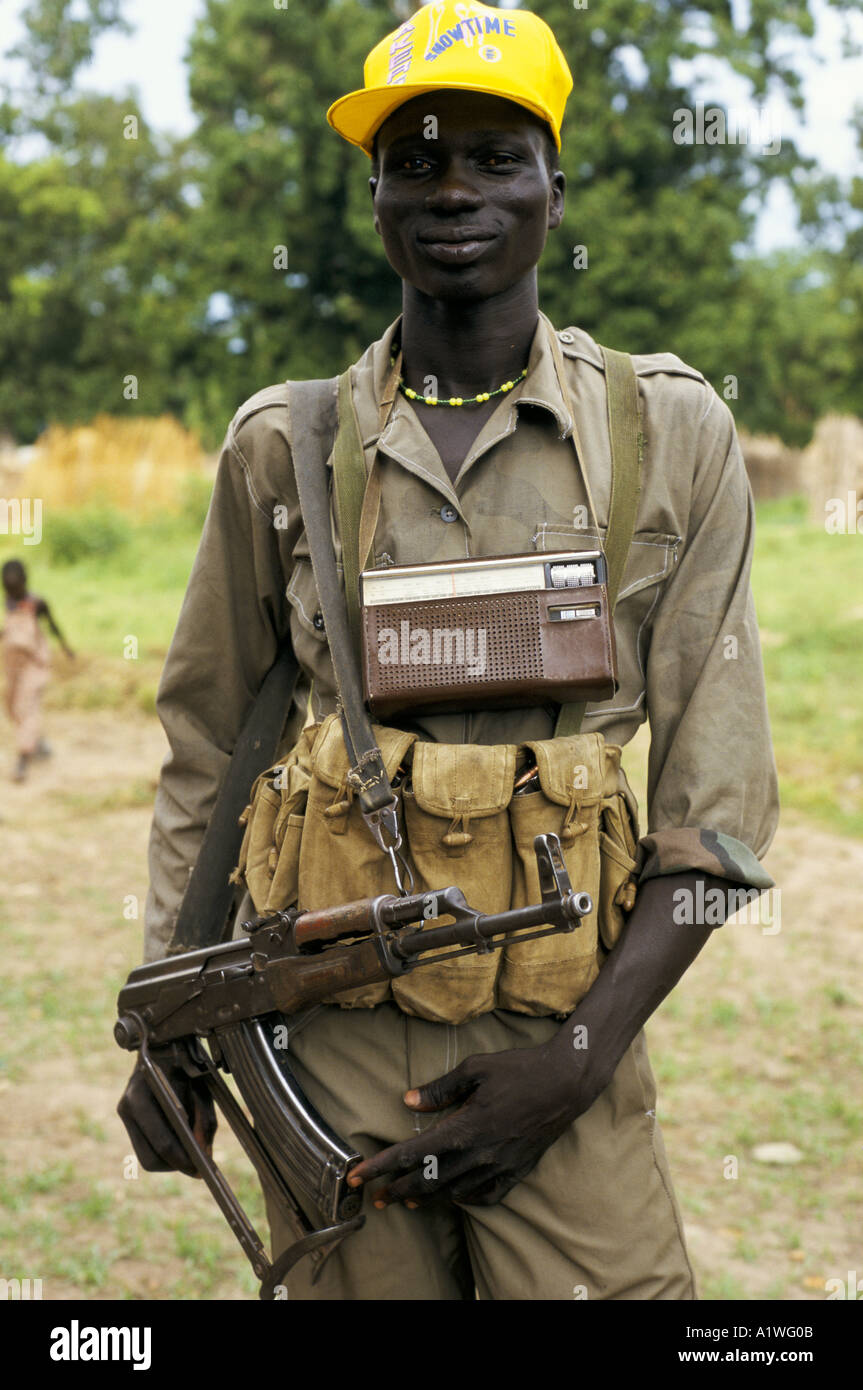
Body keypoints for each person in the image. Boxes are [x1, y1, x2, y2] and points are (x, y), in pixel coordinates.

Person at [119, 1, 779, 1300]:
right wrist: (164, 1018)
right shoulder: (284, 448)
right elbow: (207, 753)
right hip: (331, 1040)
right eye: (413, 160)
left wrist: (578, 1060)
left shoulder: (668, 433)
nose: (452, 190)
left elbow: (718, 826)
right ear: (372, 191)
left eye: (492, 155)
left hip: (564, 1021)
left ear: (552, 184)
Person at [1, 557, 74, 781]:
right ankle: (38, 744)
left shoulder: (37, 603)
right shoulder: (7, 604)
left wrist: (66, 648)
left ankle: (23, 761)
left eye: (17, 585)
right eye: (8, 586)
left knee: (27, 706)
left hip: (34, 665)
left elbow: (53, 625)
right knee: (13, 707)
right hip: (11, 667)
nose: (13, 590)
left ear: (25, 581)